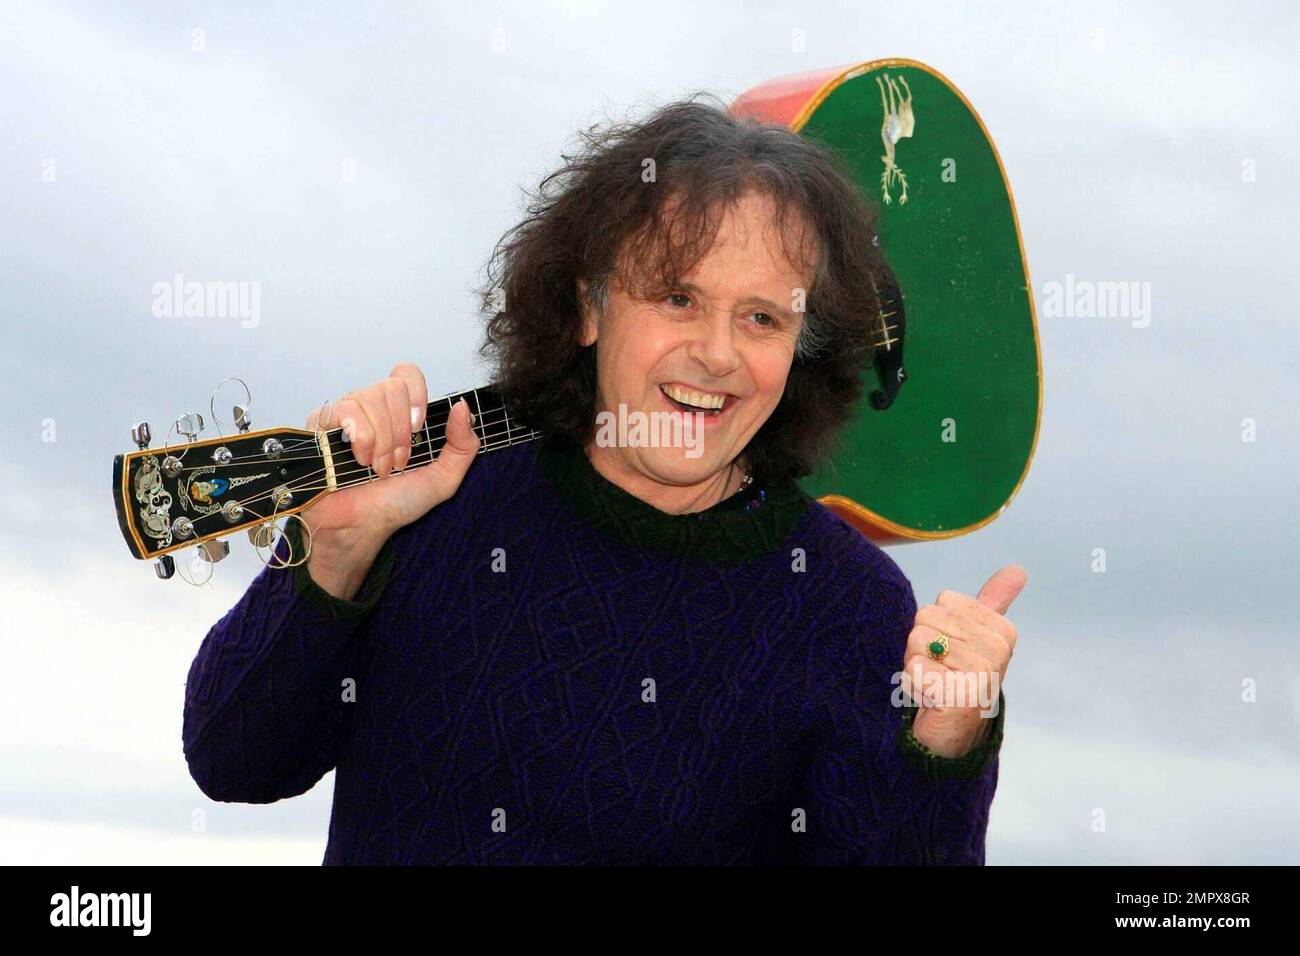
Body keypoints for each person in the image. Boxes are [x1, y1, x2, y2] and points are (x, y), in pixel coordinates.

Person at [182, 96, 1026, 864]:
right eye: (678, 298)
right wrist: (331, 555)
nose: (718, 354)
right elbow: (233, 756)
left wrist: (944, 747)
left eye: (762, 318)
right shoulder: (435, 503)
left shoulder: (849, 607)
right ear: (589, 307)